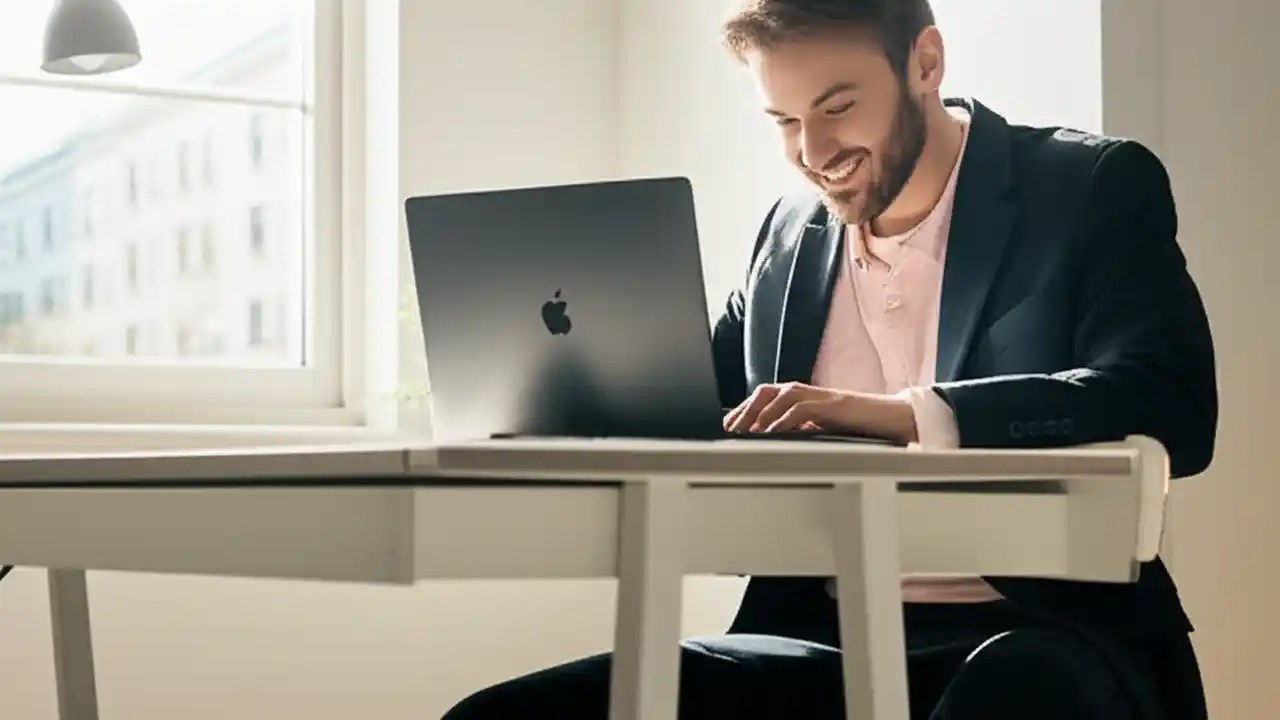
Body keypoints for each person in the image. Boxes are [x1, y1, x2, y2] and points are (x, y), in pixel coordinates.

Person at [442, 0, 1218, 717]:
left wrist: (903, 416)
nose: (813, 153)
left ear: (926, 62)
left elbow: (1169, 400)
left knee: (1009, 693)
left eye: (838, 107)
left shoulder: (1087, 187)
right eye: (783, 119)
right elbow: (696, 415)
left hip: (1042, 630)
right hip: (823, 638)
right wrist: (555, 395)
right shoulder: (785, 237)